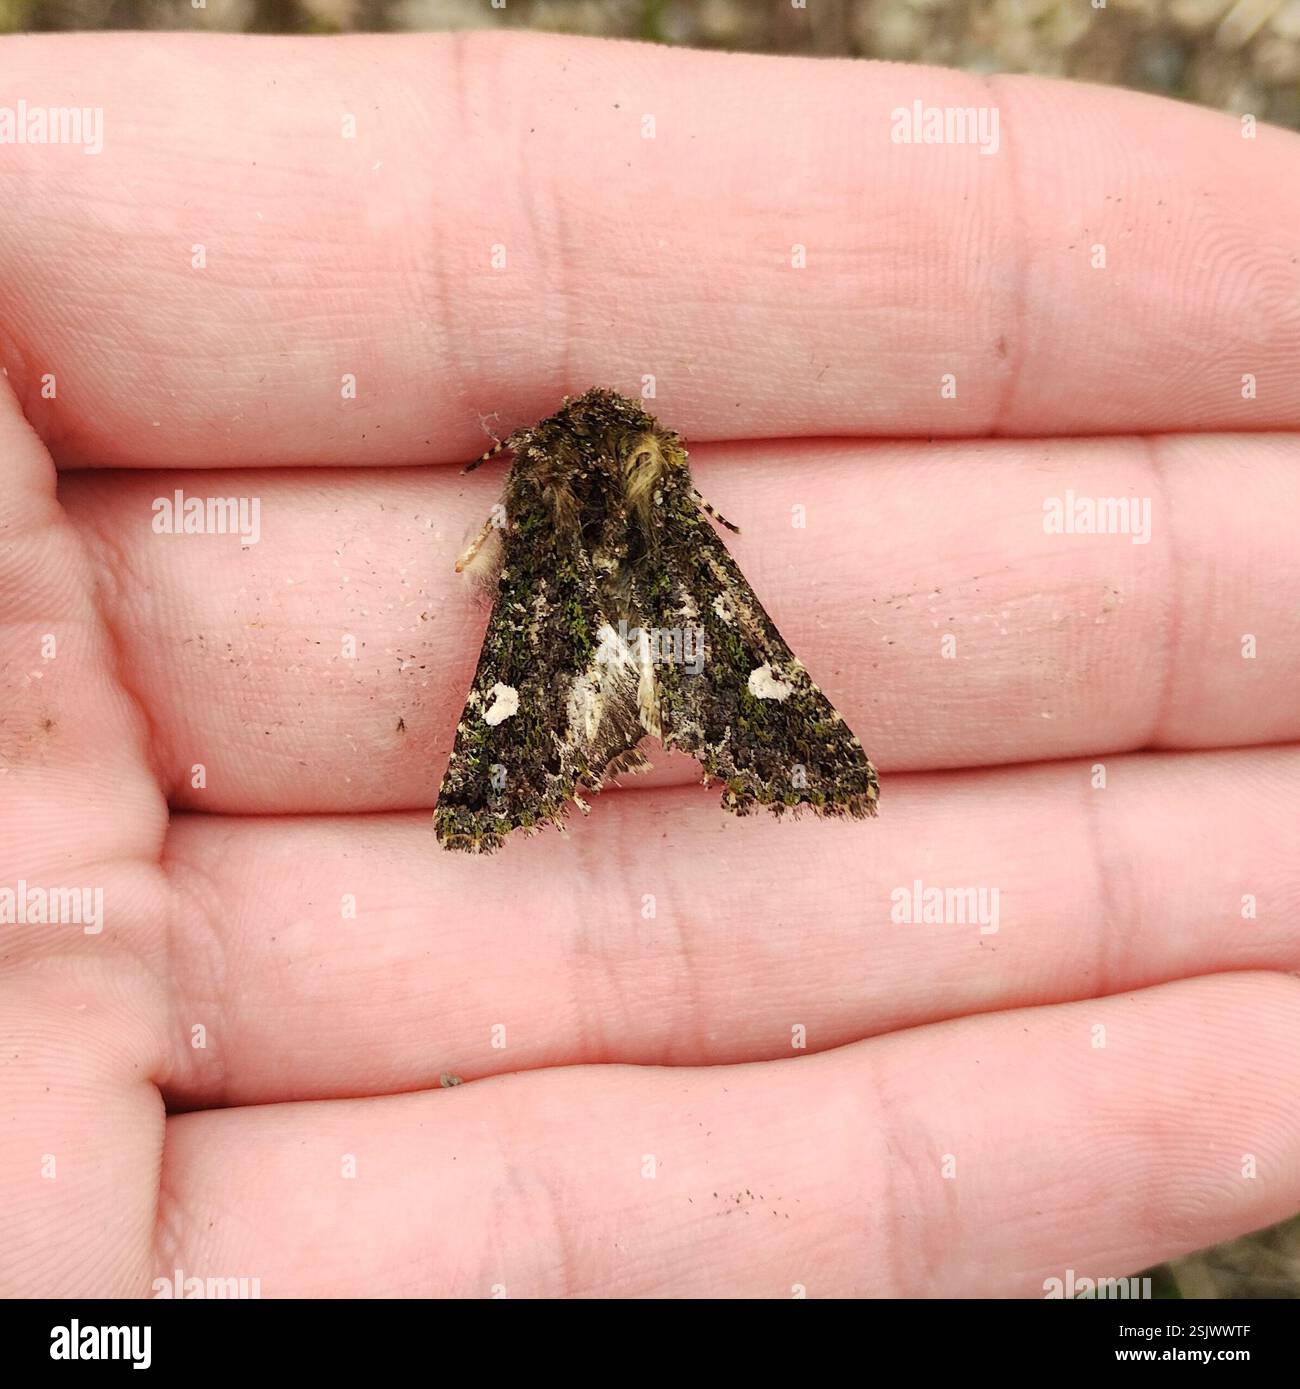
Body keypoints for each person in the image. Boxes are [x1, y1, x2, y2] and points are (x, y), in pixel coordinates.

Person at [1, 29, 1297, 1298]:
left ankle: (589, 740)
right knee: (736, 672)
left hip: (568, 608)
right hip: (672, 581)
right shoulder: (657, 500)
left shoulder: (548, 487)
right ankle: (714, 728)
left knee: (532, 691)